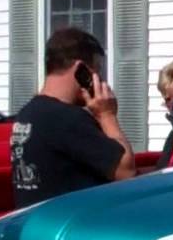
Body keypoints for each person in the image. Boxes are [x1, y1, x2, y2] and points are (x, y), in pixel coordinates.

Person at [11, 27, 136, 208]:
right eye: (96, 71)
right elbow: (126, 171)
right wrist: (107, 115)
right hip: (71, 229)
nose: (99, 80)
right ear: (80, 70)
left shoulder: (27, 114)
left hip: (38, 225)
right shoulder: (66, 119)